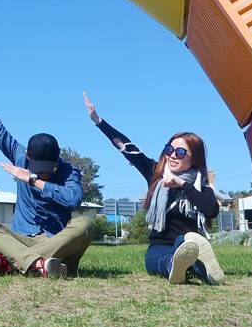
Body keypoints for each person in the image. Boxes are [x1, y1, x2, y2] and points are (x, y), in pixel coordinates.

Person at [0, 63, 93, 278]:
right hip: (22, 237)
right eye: (38, 169)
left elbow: (73, 199)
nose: (44, 173)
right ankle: (42, 265)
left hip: (58, 241)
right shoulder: (20, 155)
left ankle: (12, 263)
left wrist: (33, 180)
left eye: (49, 169)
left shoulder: (69, 171)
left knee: (85, 224)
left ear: (58, 158)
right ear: (28, 157)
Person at [83, 92, 224, 285]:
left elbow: (211, 210)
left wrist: (183, 184)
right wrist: (98, 121)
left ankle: (197, 265)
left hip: (186, 242)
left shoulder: (199, 182)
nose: (172, 155)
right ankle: (177, 266)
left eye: (181, 152)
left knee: (186, 243)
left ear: (194, 158)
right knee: (153, 261)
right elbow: (126, 147)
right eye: (169, 149)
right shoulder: (155, 173)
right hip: (159, 246)